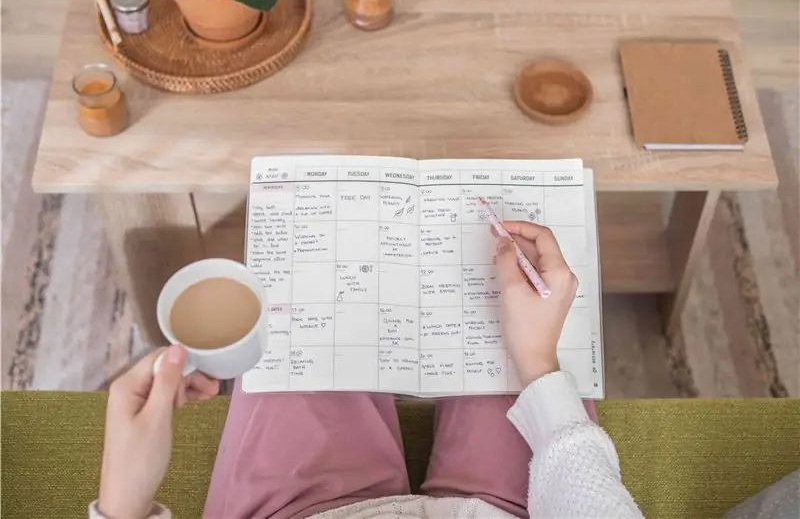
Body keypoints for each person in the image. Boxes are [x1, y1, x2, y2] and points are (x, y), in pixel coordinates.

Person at [92, 222, 643, 519]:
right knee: (507, 279)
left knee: (306, 283)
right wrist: (539, 363)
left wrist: (122, 503)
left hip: (294, 511)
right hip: (519, 507)